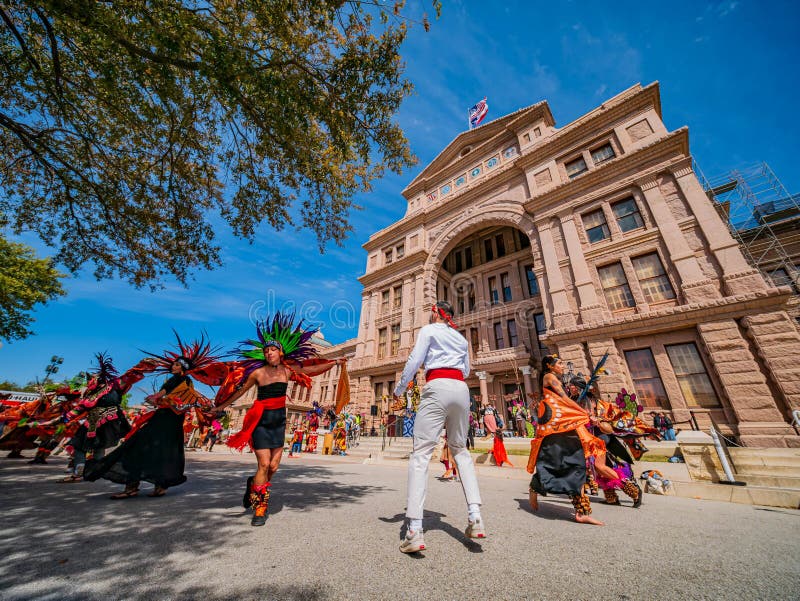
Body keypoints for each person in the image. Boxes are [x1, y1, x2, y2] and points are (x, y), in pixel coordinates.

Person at [216, 311, 342, 526]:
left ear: (281, 352)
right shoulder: (257, 374)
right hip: (260, 420)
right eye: (266, 350)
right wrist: (220, 406)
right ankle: (260, 508)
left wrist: (334, 362)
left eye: (273, 349)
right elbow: (239, 392)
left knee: (273, 467)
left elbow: (311, 368)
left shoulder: (287, 371)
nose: (269, 353)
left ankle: (254, 485)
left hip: (278, 422)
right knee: (264, 464)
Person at [392, 301, 485, 554]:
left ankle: (414, 529)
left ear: (436, 313)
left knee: (421, 454)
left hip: (437, 385)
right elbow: (466, 369)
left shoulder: (429, 330)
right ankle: (475, 515)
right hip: (461, 389)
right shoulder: (461, 339)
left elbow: (414, 360)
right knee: (460, 450)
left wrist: (399, 389)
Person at [85, 334, 223, 498]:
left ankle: (133, 486)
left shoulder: (176, 380)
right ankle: (160, 486)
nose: (173, 366)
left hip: (163, 420)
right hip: (173, 423)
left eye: (176, 364)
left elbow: (162, 394)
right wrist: (161, 400)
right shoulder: (188, 384)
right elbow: (177, 401)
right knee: (165, 452)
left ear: (183, 368)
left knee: (136, 447)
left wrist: (154, 398)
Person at [526, 355, 622, 526]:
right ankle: (537, 488)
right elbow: (564, 398)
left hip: (566, 424)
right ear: (549, 365)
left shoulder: (555, 379)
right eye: (560, 363)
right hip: (557, 426)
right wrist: (584, 412)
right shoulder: (549, 376)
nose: (563, 366)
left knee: (573, 464)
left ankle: (581, 511)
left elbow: (564, 400)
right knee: (563, 463)